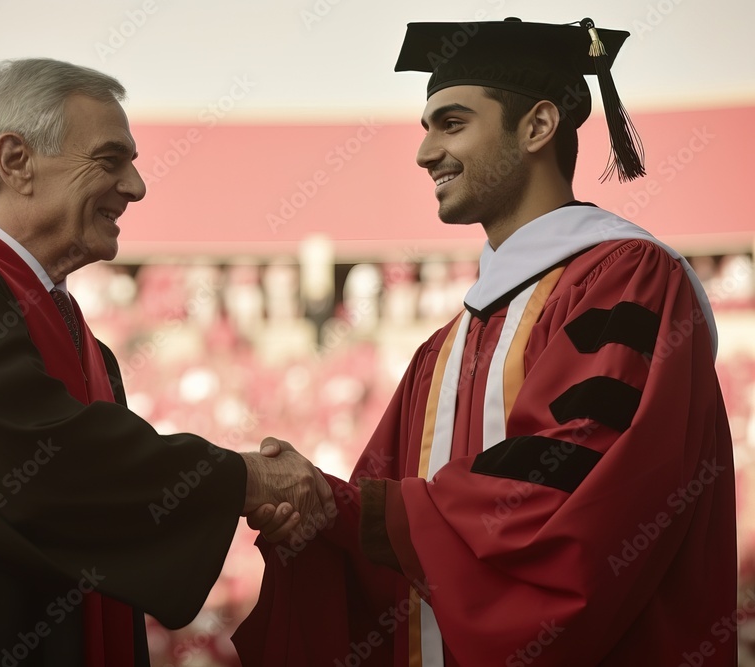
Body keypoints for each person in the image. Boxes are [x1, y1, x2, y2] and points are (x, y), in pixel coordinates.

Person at [234, 17, 737, 666]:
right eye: (426, 129)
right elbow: (373, 524)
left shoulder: (627, 282)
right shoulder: (442, 351)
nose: (423, 154)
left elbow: (574, 500)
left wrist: (339, 505)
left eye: (451, 123)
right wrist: (311, 519)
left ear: (537, 127)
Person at [0, 58, 334, 667]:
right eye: (110, 160)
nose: (136, 187)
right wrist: (237, 481)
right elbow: (30, 462)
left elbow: (92, 505)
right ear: (16, 161)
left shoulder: (82, 342)